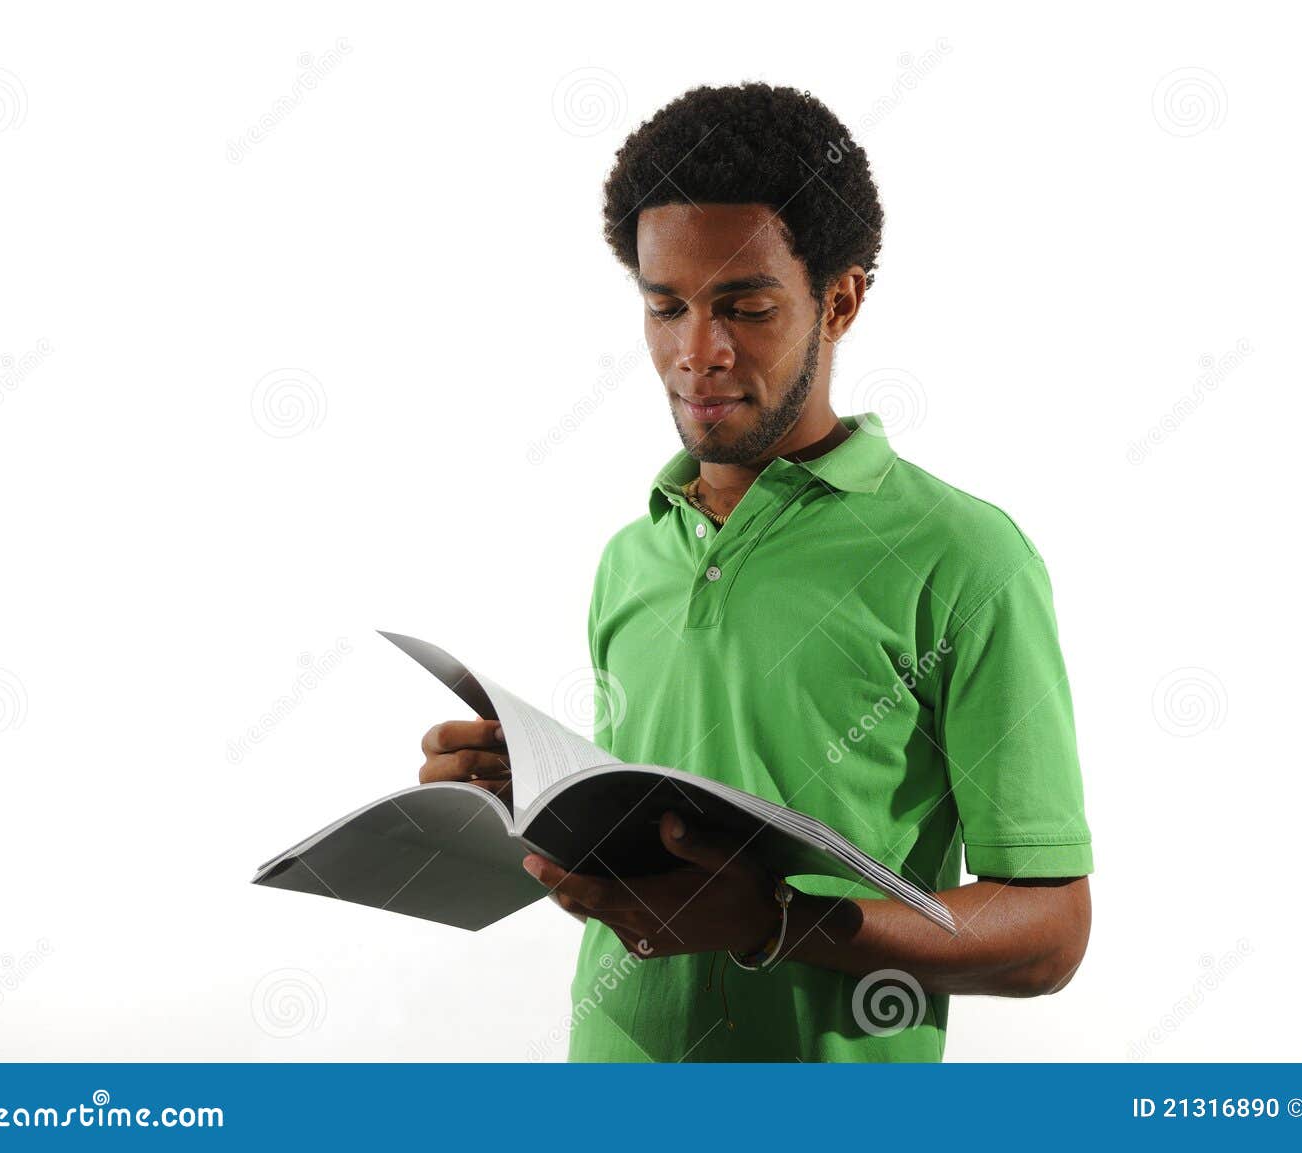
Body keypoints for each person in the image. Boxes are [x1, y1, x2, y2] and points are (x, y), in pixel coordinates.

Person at [417, 82, 1093, 1062]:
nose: (697, 353)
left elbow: (1049, 933)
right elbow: (651, 859)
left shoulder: (968, 557)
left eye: (744, 306)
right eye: (666, 307)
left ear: (841, 298)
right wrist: (526, 804)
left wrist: (773, 921)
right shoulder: (630, 555)